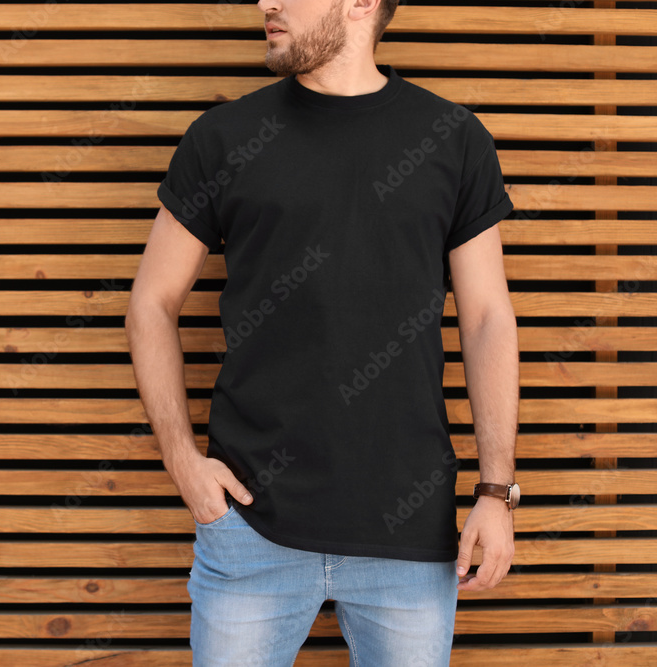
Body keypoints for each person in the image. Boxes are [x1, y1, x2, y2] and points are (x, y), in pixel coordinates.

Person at [124, 0, 519, 664]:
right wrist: (181, 459)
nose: (265, 3)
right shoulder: (224, 137)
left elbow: (486, 320)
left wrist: (495, 489)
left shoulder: (451, 137)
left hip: (410, 534)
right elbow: (151, 303)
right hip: (250, 528)